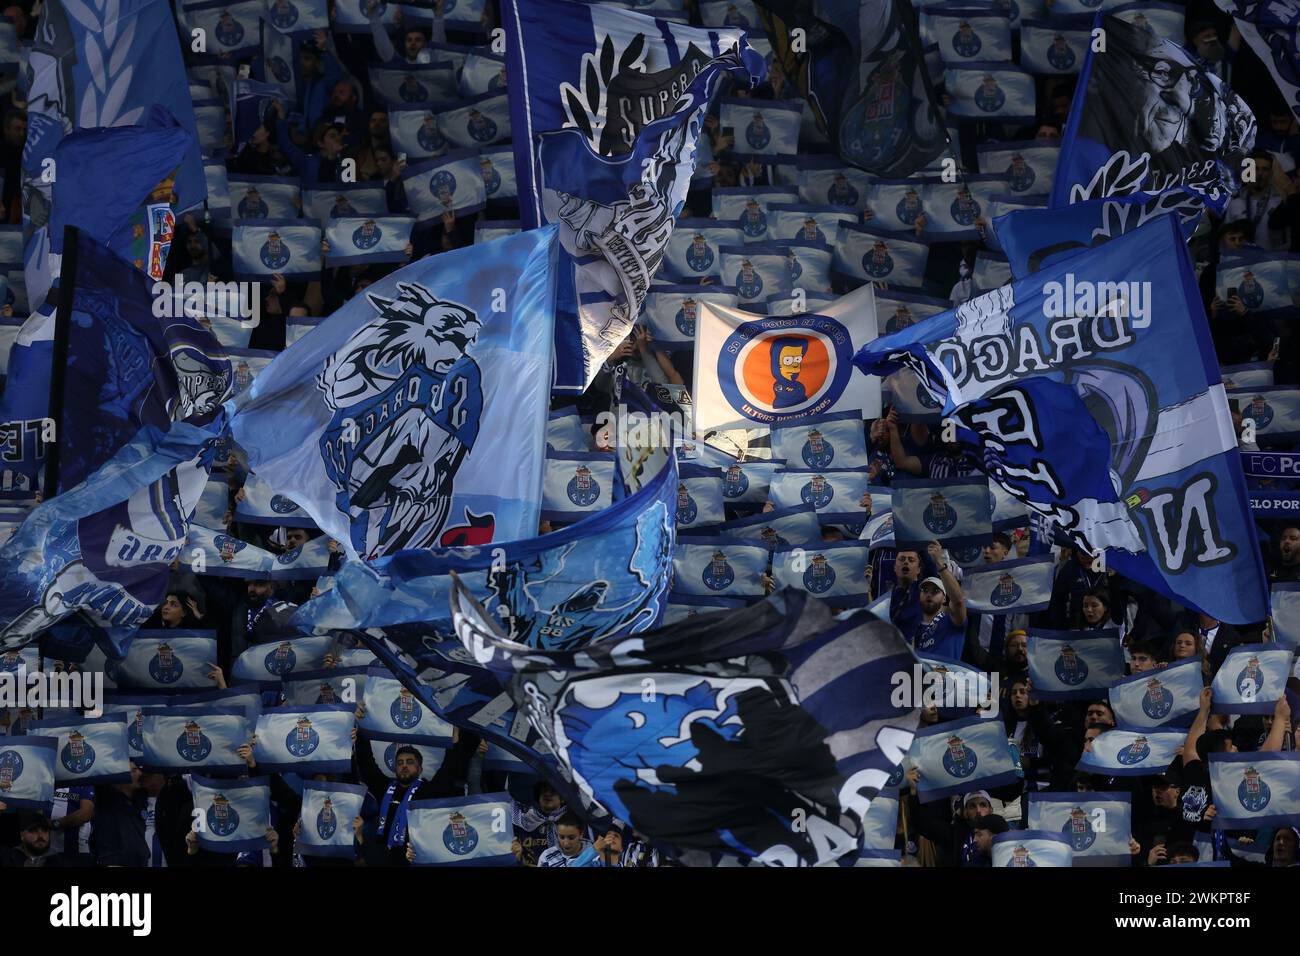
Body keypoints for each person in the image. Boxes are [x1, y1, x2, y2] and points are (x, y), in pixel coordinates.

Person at [1, 813, 75, 867]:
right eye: (33, 831)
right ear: (22, 835)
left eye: (45, 830)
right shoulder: (6, 858)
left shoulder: (62, 863)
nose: (40, 835)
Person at [535, 813, 603, 867]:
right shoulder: (546, 856)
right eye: (561, 837)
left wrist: (592, 852)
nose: (566, 843)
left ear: (581, 834)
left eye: (571, 838)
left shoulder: (596, 855)